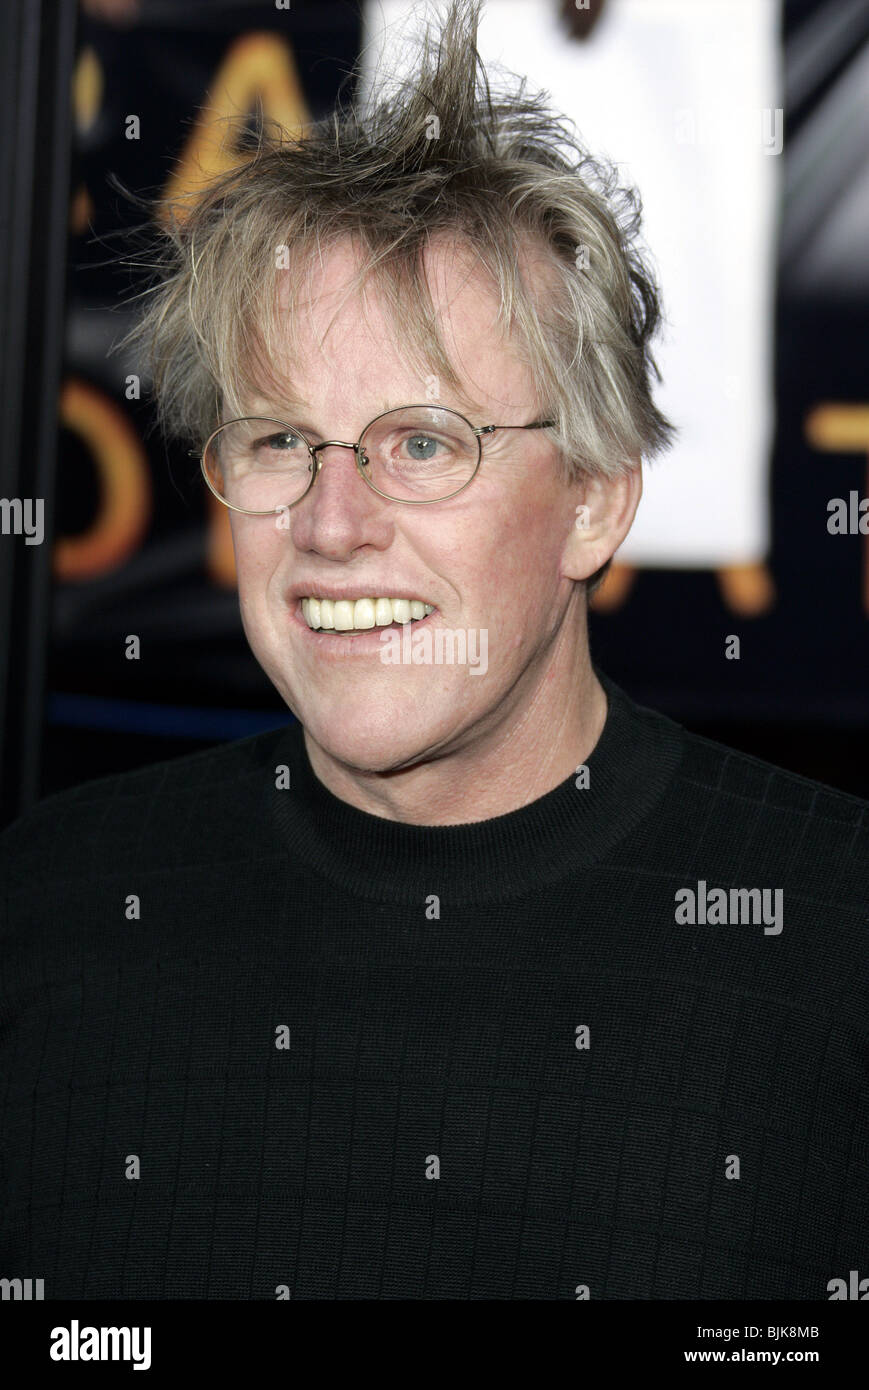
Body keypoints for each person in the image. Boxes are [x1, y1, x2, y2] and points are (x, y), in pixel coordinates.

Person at [1, 0, 865, 1301]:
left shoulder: (835, 927)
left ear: (593, 499)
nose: (331, 525)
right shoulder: (50, 899)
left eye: (421, 443)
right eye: (280, 440)